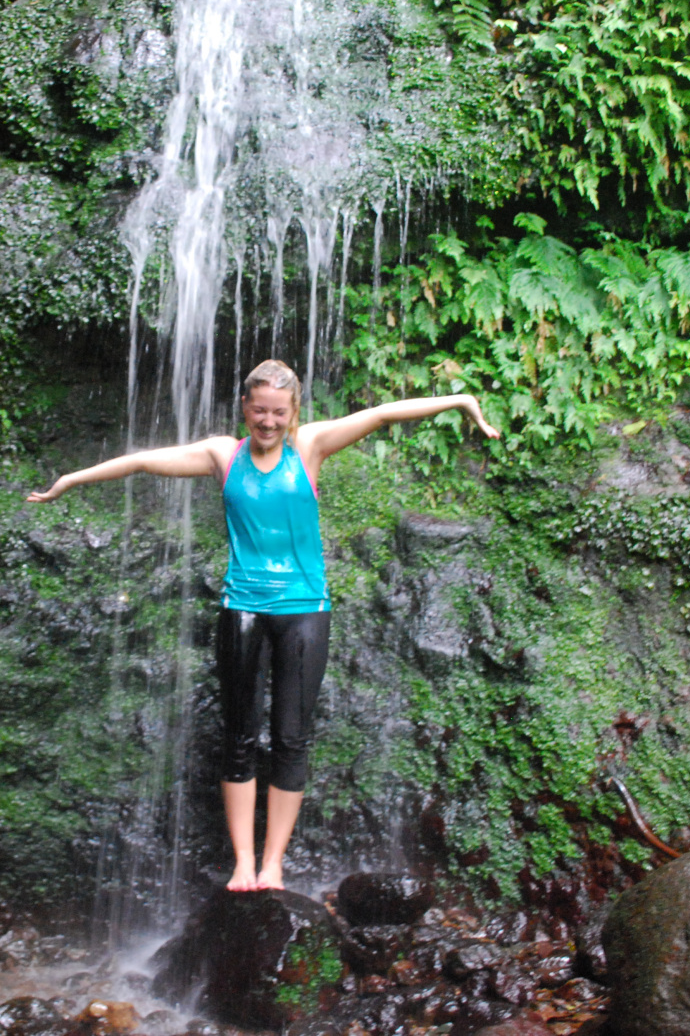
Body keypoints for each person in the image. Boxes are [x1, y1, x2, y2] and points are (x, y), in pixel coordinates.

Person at [27, 360, 502, 891]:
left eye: (278, 412)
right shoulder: (221, 456)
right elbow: (141, 463)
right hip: (243, 609)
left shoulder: (311, 446)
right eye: (259, 411)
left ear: (293, 412)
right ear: (245, 409)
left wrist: (461, 403)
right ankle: (243, 863)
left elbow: (385, 414)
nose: (268, 422)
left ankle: (274, 862)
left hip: (304, 609)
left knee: (291, 739)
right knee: (238, 737)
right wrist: (70, 480)